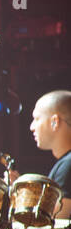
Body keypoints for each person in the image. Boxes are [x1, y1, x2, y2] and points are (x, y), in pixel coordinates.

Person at [30, 89, 71, 218]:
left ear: (55, 122)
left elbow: (53, 223)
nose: (32, 126)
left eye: (37, 119)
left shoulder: (68, 166)